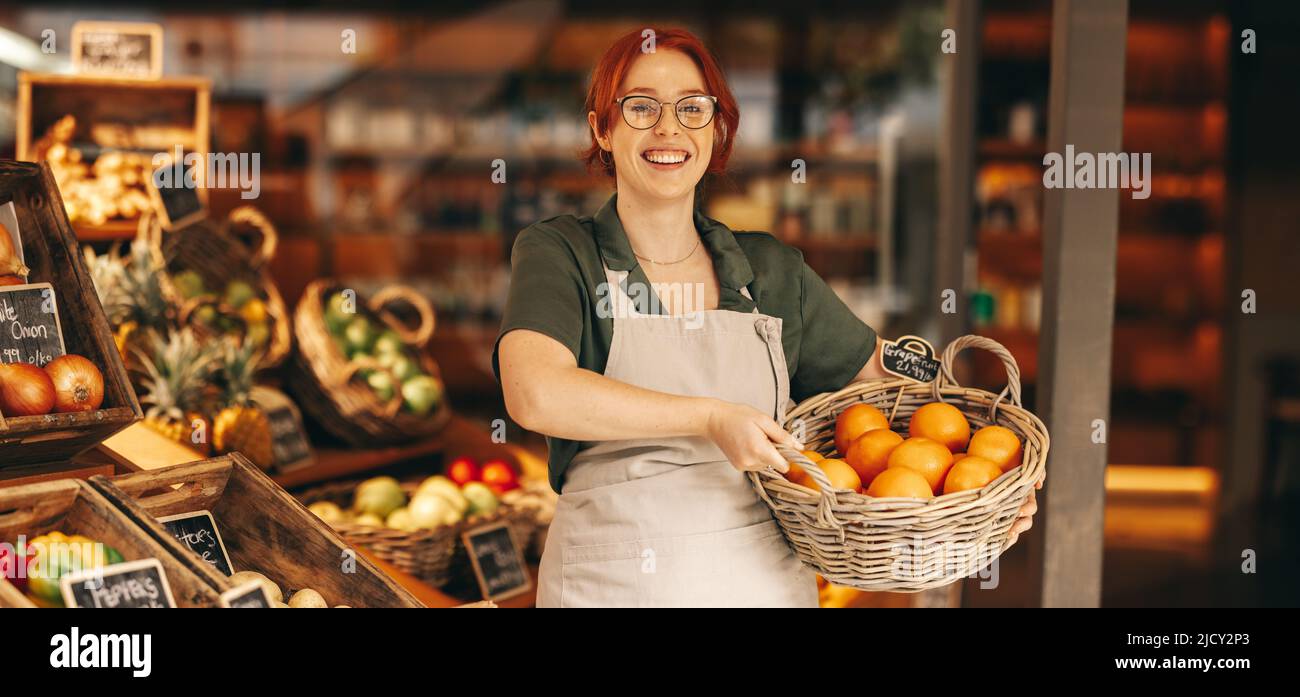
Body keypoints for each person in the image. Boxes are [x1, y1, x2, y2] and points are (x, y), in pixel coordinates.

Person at [495, 28, 1037, 607]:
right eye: (641, 106)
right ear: (603, 127)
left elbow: (889, 370)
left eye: (692, 108)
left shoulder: (770, 271)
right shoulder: (562, 253)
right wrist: (709, 417)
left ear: (716, 129)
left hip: (758, 585)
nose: (669, 127)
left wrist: (987, 476)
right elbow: (535, 393)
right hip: (612, 585)